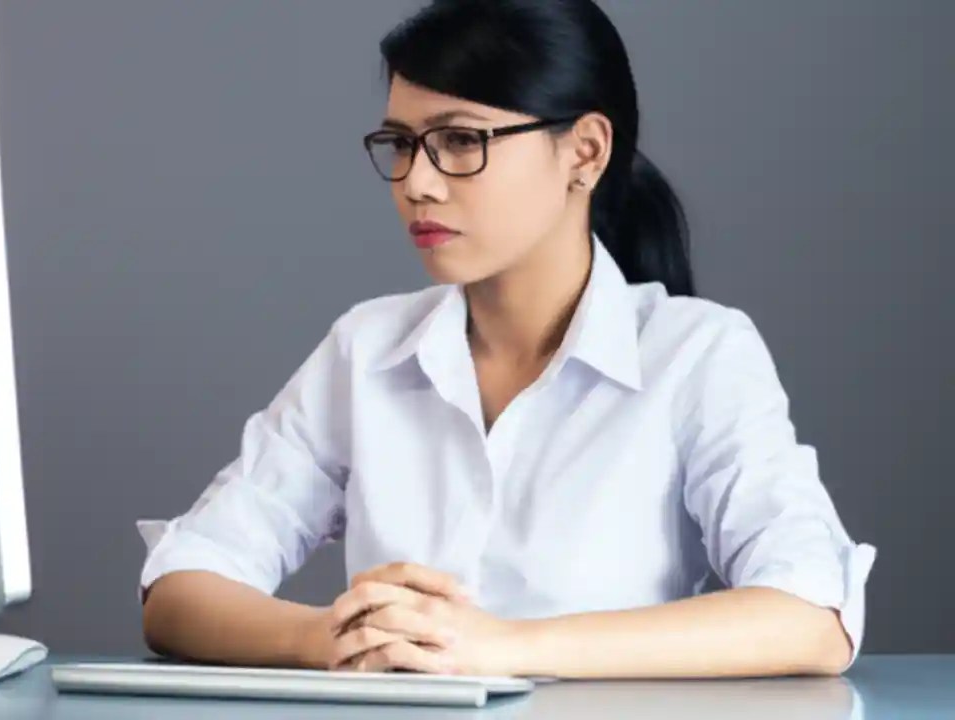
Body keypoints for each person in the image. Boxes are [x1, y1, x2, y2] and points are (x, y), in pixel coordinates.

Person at [137, 0, 875, 680]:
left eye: (460, 141)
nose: (417, 182)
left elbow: (813, 615)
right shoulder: (365, 349)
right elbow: (180, 586)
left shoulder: (698, 353)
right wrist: (332, 635)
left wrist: (498, 645)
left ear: (585, 152)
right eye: (401, 144)